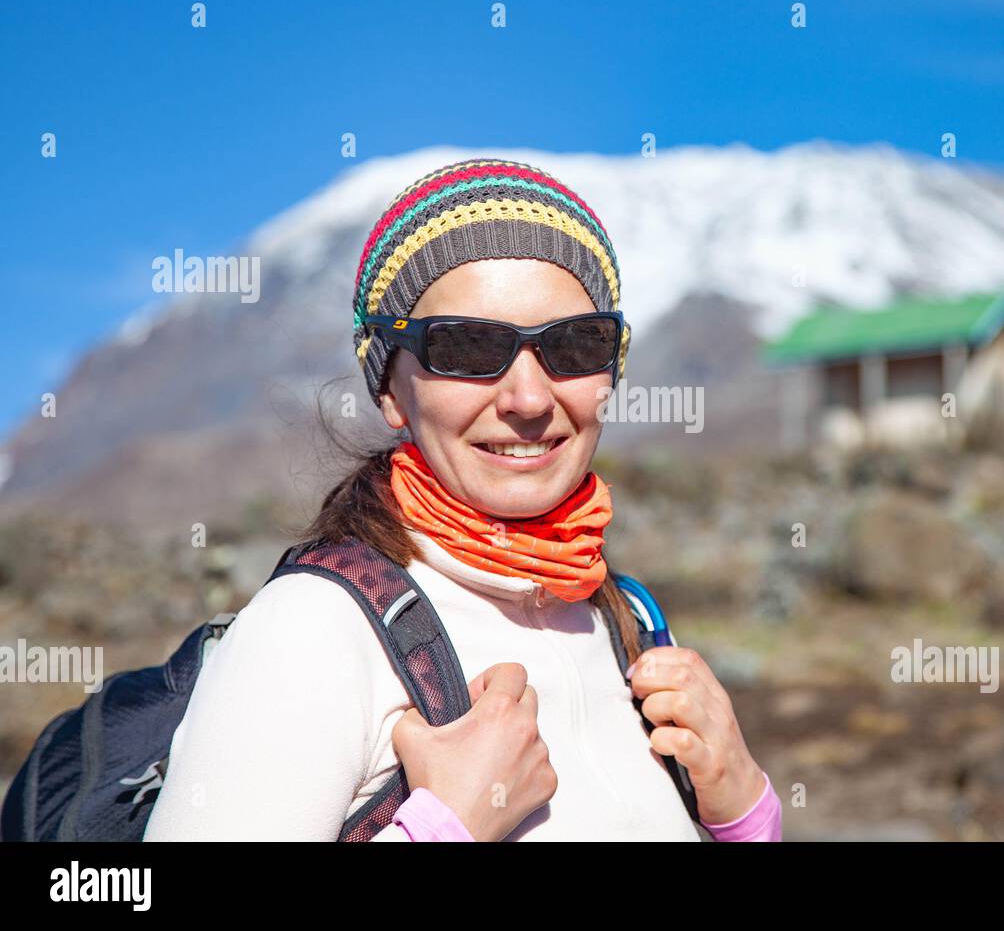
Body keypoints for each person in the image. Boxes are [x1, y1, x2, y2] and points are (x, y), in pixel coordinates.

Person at [143, 157, 781, 841]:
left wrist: (743, 815)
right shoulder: (311, 630)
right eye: (469, 348)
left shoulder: (630, 623)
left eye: (575, 344)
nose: (530, 399)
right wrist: (443, 828)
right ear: (390, 388)